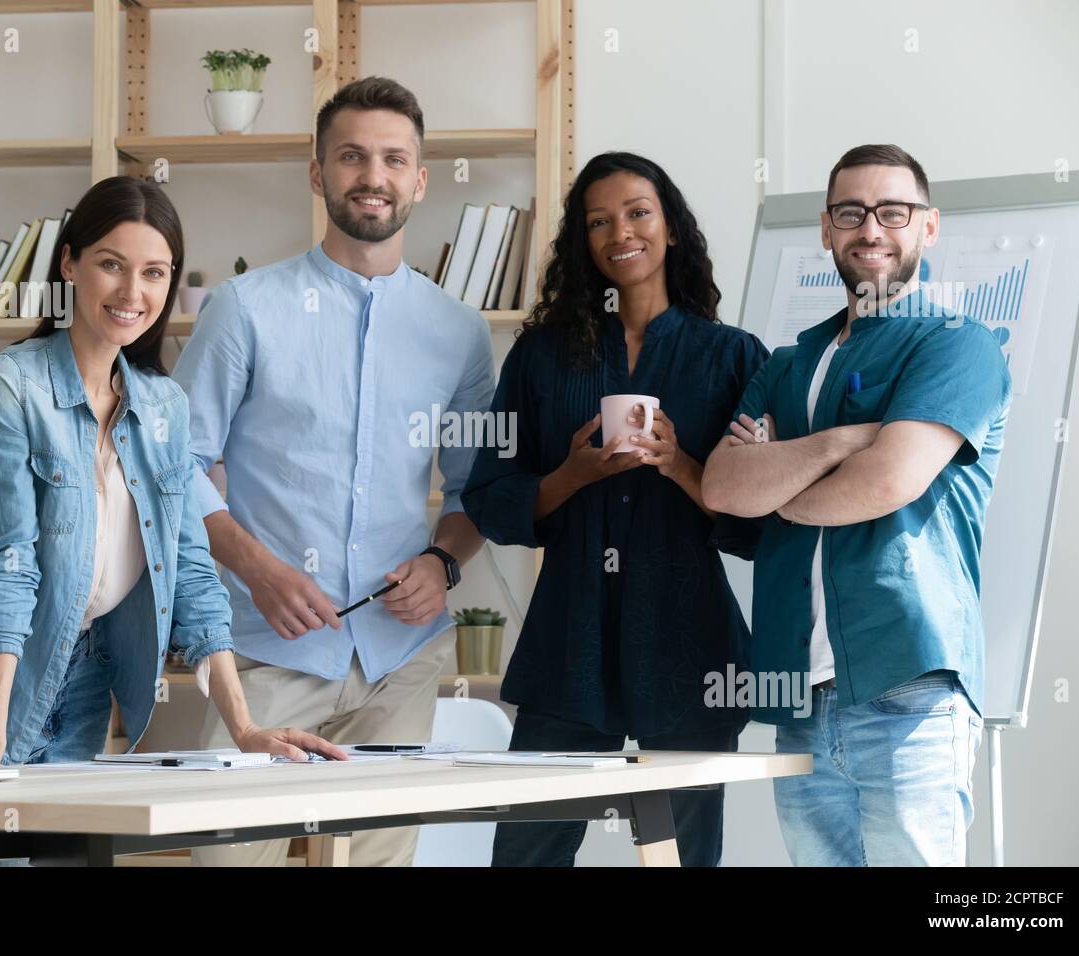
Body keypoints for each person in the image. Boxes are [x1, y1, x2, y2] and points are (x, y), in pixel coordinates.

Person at [0, 176, 344, 772]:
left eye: (155, 272)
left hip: (84, 673)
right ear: (69, 263)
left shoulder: (163, 407)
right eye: (112, 264)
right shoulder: (9, 388)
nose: (132, 291)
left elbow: (192, 570)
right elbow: (8, 563)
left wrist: (244, 729)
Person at [171, 76, 495, 867]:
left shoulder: (459, 332)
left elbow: (478, 490)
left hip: (400, 659)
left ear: (420, 180)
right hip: (266, 655)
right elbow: (171, 466)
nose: (372, 177)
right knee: (225, 862)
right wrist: (261, 568)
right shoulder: (244, 309)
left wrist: (442, 560)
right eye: (351, 156)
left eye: (393, 160)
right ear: (318, 173)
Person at [702, 144, 1011, 866]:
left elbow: (887, 483)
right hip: (801, 701)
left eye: (893, 212)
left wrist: (778, 483)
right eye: (851, 212)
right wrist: (844, 440)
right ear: (825, 228)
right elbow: (722, 488)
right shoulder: (786, 363)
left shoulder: (957, 344)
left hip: (909, 686)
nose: (871, 229)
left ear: (927, 228)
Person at [462, 151, 768, 867]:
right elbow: (488, 499)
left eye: (637, 213)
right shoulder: (540, 358)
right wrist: (569, 475)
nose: (618, 232)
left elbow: (764, 523)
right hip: (569, 643)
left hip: (691, 647)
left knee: (682, 860)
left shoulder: (733, 358)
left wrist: (682, 466)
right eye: (598, 221)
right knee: (526, 857)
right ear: (583, 242)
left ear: (670, 227)